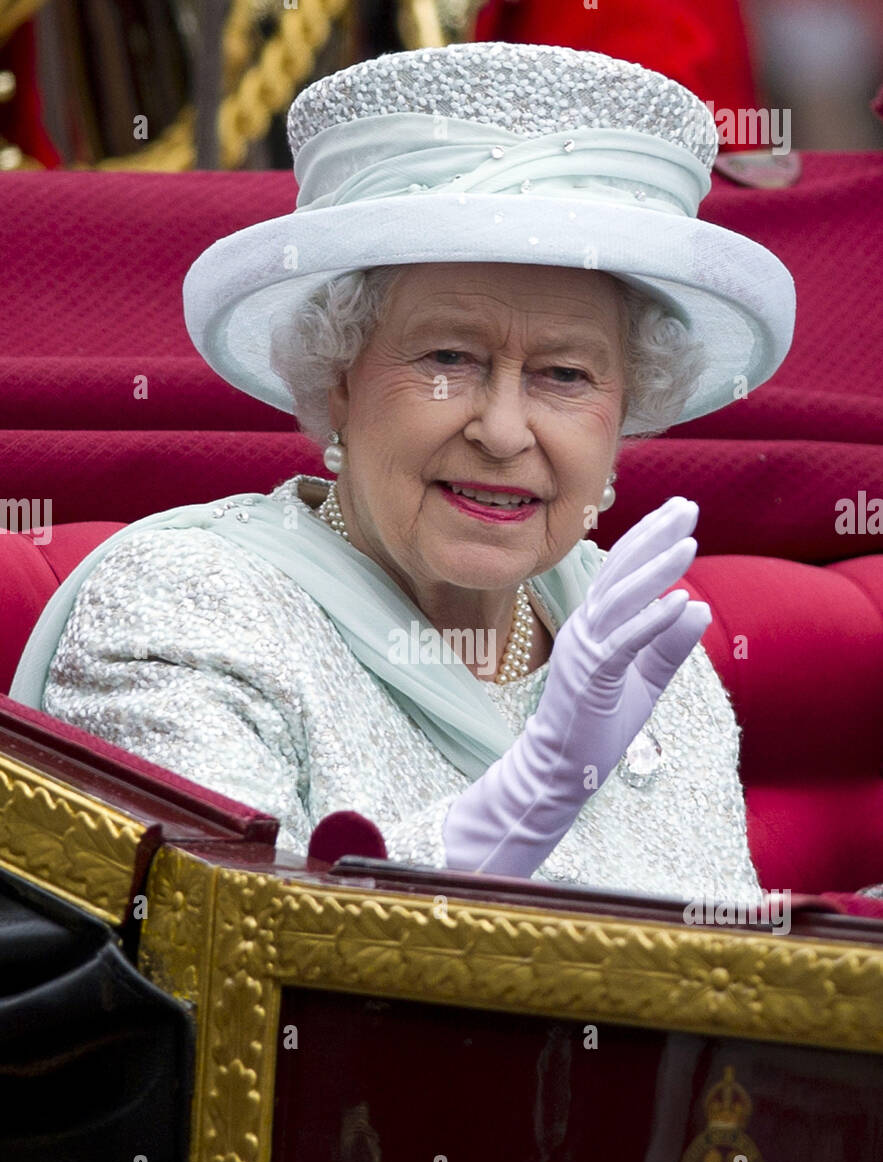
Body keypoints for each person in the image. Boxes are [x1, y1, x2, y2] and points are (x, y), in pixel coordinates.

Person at [11, 42, 798, 899]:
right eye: (448, 358)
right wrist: (516, 807)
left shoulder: (644, 647)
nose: (502, 431)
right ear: (338, 377)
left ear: (626, 407)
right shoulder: (182, 604)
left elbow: (729, 977)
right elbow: (214, 954)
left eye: (564, 375)